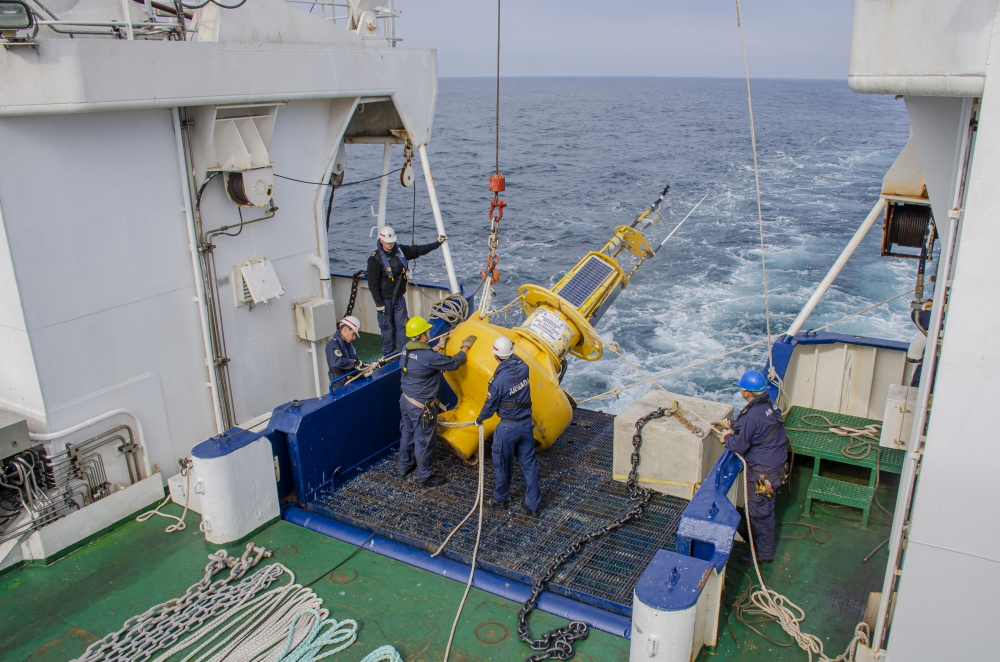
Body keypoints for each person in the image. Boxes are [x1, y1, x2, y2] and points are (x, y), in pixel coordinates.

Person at [398, 315, 476, 487]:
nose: (429, 332)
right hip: (421, 407)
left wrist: (439, 345)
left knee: (408, 433)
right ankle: (424, 477)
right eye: (427, 331)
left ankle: (404, 466)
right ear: (421, 336)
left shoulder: (406, 349)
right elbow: (455, 362)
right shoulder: (428, 357)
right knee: (424, 439)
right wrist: (465, 347)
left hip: (406, 401)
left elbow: (423, 359)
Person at [723, 369, 788, 566]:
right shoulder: (769, 404)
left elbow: (740, 445)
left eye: (742, 390)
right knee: (764, 508)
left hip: (763, 476)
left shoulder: (751, 416)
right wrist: (731, 424)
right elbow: (757, 426)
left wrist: (726, 437)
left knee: (761, 514)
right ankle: (756, 538)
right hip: (776, 468)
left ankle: (763, 555)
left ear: (747, 393)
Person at [475, 336, 541, 517]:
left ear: (496, 357)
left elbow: (490, 407)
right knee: (529, 465)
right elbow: (515, 361)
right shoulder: (524, 367)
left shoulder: (497, 382)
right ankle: (533, 506)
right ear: (511, 352)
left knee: (502, 465)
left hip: (507, 429)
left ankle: (500, 499)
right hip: (526, 425)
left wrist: (479, 419)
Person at [366, 226, 446, 356]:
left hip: (398, 298)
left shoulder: (400, 251)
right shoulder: (375, 260)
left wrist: (437, 243)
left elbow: (418, 250)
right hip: (384, 301)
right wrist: (379, 303)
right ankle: (388, 354)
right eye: (387, 242)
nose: (390, 245)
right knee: (387, 327)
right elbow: (373, 284)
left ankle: (405, 351)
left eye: (392, 242)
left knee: (402, 325)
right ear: (381, 241)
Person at [325, 316, 362, 389]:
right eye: (353, 334)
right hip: (341, 387)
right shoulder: (333, 345)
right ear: (345, 329)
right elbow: (336, 362)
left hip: (351, 383)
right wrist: (353, 363)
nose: (354, 338)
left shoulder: (348, 345)